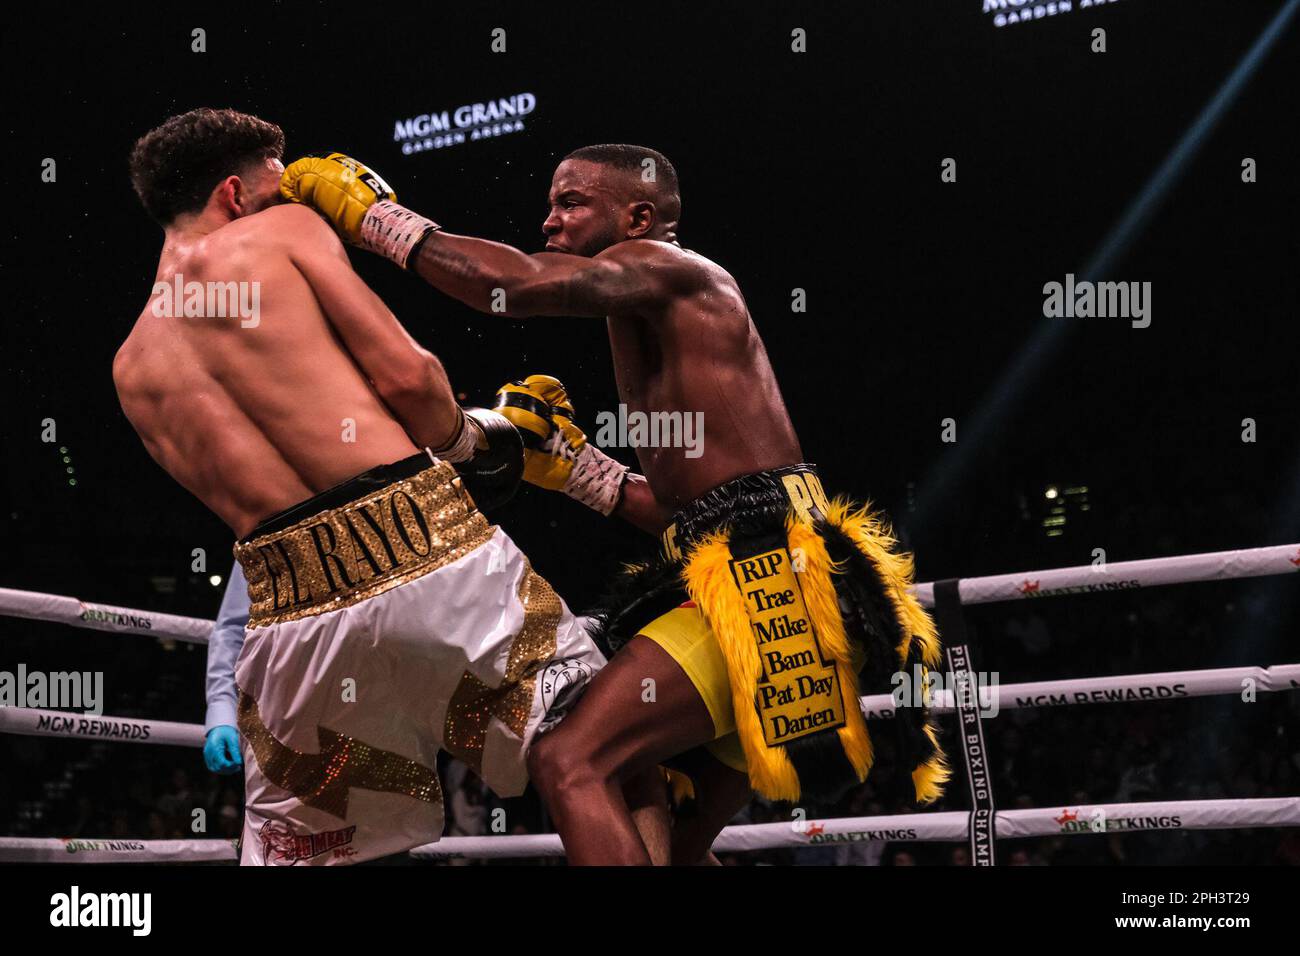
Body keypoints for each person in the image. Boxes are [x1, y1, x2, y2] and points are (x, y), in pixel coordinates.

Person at [280, 146, 950, 865]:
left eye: (572, 202)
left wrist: (377, 219)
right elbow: (692, 513)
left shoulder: (673, 269)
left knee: (571, 760)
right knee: (671, 847)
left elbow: (510, 283)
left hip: (766, 586)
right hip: (768, 580)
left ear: (638, 216)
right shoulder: (653, 310)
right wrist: (580, 472)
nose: (550, 219)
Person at [114, 109, 605, 865]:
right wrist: (475, 440)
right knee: (605, 760)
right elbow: (410, 377)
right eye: (279, 189)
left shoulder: (132, 367)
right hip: (433, 553)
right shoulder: (281, 234)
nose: (295, 200)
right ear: (234, 194)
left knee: (324, 859)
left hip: (289, 625)